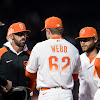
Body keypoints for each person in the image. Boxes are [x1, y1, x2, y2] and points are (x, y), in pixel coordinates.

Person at [25, 16, 81, 100]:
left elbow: (28, 73)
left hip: (47, 93)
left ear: (48, 31)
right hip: (66, 94)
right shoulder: (73, 49)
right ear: (61, 30)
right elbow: (76, 76)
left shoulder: (39, 47)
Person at [0, 22, 36, 100]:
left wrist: (28, 92)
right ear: (11, 36)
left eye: (25, 34)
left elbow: (33, 79)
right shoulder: (1, 53)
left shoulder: (31, 55)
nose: (23, 37)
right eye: (19, 34)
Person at [75, 27, 99, 100]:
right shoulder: (78, 59)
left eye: (86, 40)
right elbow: (76, 81)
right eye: (81, 40)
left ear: (95, 40)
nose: (83, 43)